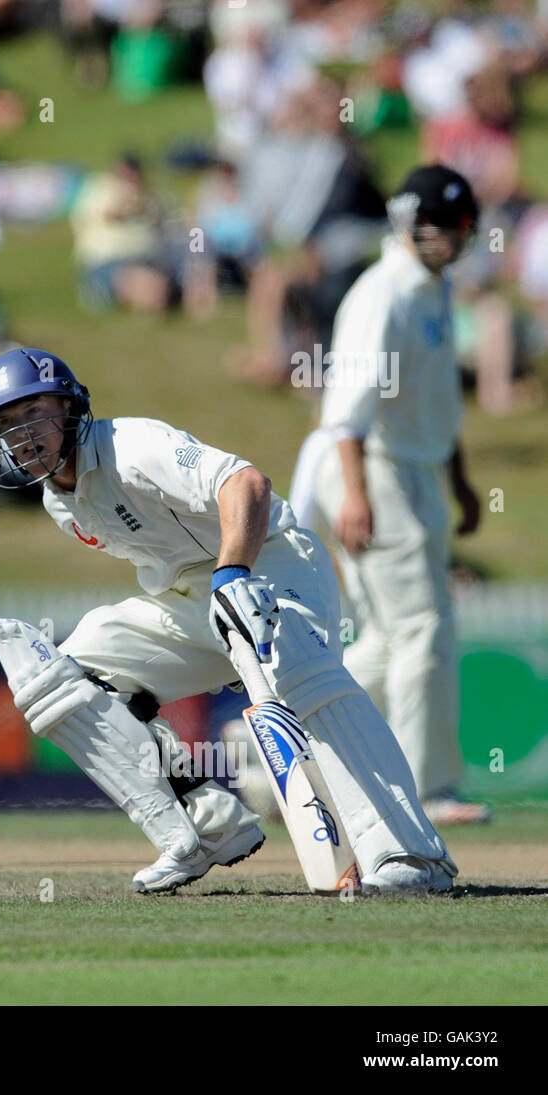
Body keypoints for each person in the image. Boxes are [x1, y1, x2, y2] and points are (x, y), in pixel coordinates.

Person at [0, 347, 457, 894]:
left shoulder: (132, 447)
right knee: (61, 681)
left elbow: (247, 483)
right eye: (6, 424)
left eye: (34, 413)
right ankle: (204, 828)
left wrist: (233, 576)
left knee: (290, 662)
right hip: (188, 598)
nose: (23, 434)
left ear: (70, 409)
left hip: (268, 558)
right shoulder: (58, 502)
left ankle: (409, 854)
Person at [309, 165, 488, 826]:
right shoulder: (384, 292)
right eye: (445, 228)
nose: (456, 240)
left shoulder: (432, 288)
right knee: (422, 627)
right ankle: (428, 787)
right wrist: (355, 495)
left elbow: (439, 400)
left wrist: (462, 481)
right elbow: (346, 407)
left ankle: (279, 758)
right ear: (413, 226)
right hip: (373, 467)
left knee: (389, 639)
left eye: (462, 228)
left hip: (416, 468)